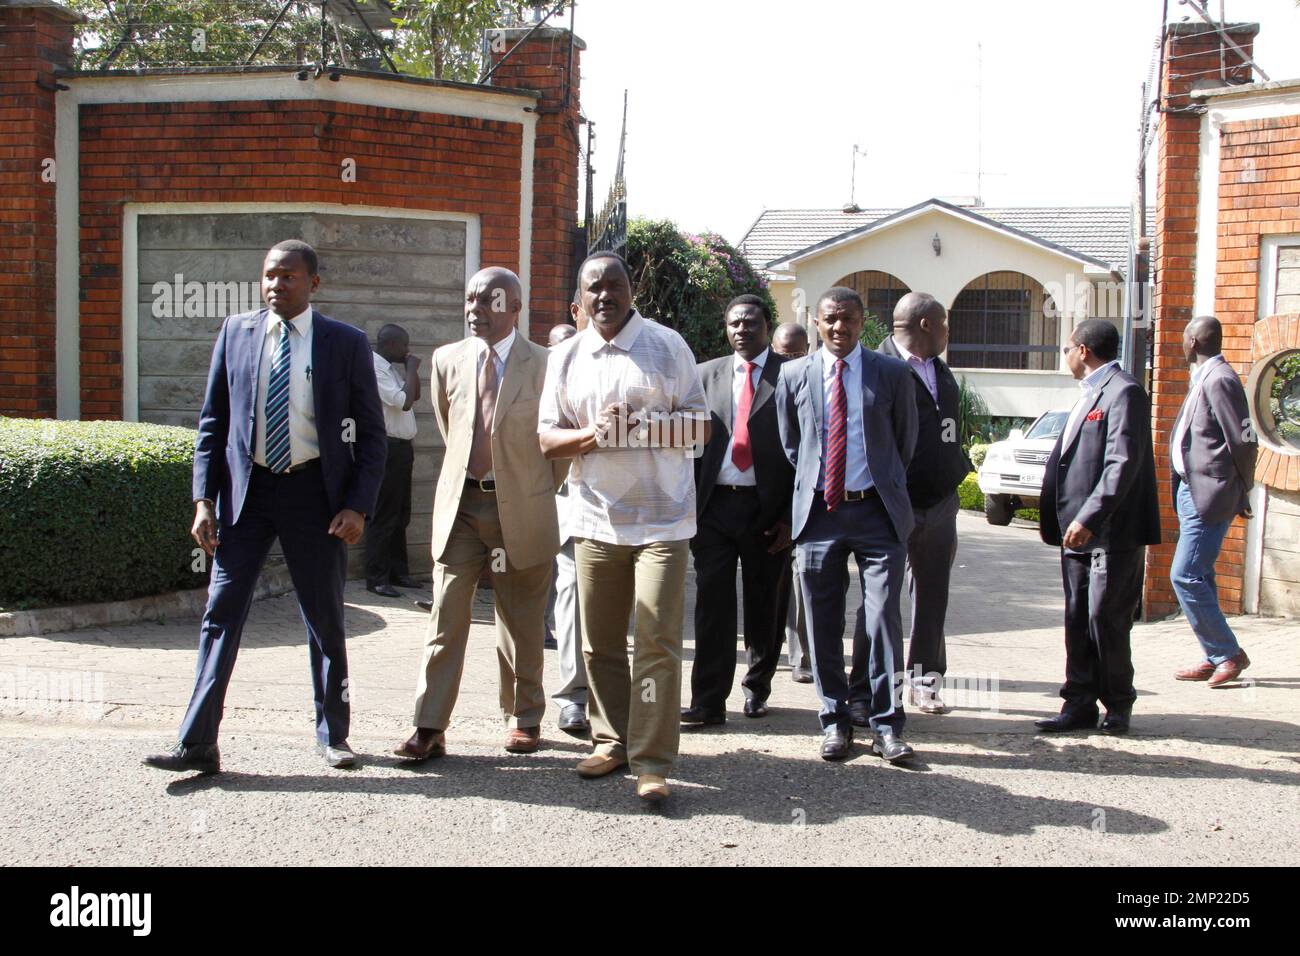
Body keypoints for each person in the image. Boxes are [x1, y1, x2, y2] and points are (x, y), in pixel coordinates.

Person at [144, 240, 386, 773]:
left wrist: (357, 506)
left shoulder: (345, 343)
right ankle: (198, 742)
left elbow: (372, 435)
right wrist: (203, 500)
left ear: (313, 283)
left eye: (289, 277)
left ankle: (334, 735)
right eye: (270, 277)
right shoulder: (236, 333)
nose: (277, 285)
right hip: (246, 495)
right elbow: (212, 425)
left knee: (324, 617)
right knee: (220, 613)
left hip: (314, 496)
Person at [539, 251, 709, 802]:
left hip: (663, 520)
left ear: (632, 290)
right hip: (594, 518)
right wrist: (592, 435)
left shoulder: (668, 345)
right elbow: (546, 439)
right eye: (593, 288)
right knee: (600, 643)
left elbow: (702, 428)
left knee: (657, 639)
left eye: (614, 285)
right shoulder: (566, 356)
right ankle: (611, 741)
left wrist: (646, 426)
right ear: (581, 297)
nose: (604, 296)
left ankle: (654, 760)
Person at [393, 267, 562, 761]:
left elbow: (560, 449)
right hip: (463, 506)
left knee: (521, 620)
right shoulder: (447, 360)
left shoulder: (547, 364)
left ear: (515, 307)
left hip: (523, 509)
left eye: (490, 300)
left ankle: (524, 718)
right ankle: (429, 726)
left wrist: (529, 491)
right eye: (470, 299)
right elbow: (452, 428)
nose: (476, 310)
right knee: (446, 615)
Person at [775, 287, 918, 762]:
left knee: (881, 619)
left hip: (877, 512)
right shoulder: (794, 374)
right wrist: (821, 483)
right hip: (820, 512)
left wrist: (875, 484)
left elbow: (905, 443)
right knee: (821, 620)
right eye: (830, 320)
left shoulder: (893, 374)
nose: (839, 328)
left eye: (848, 320)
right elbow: (792, 446)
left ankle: (885, 724)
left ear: (863, 322)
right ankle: (834, 720)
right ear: (817, 322)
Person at [1037, 319, 1160, 735]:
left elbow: (1121, 463)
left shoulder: (1124, 392)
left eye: (1067, 348)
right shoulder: (1089, 393)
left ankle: (1118, 704)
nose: (1065, 356)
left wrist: (1089, 518)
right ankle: (1078, 704)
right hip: (1075, 533)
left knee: (1105, 618)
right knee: (1076, 617)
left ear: (1084, 350)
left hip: (1109, 532)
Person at [853, 292, 971, 716]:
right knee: (879, 600)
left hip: (939, 505)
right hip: (889, 504)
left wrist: (955, 470)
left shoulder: (941, 371)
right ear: (926, 324)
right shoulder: (874, 368)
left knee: (932, 596)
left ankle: (925, 682)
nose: (947, 333)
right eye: (944, 324)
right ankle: (866, 690)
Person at [681, 295, 794, 727]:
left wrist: (789, 517)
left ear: (768, 326)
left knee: (765, 604)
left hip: (767, 511)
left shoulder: (791, 376)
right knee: (713, 604)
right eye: (733, 324)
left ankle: (757, 688)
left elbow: (804, 451)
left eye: (749, 323)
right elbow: (687, 442)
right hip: (715, 507)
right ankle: (708, 701)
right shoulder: (704, 375)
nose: (741, 330)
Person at [1170, 315, 1257, 687]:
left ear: (1193, 342)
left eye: (1183, 338)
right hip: (1193, 491)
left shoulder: (1220, 379)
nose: (1181, 344)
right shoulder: (1204, 376)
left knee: (1184, 574)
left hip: (1211, 493)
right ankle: (1212, 652)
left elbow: (1244, 440)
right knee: (1201, 574)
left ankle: (1228, 653)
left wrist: (1243, 490)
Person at [544, 316, 591, 735]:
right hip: (567, 495)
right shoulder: (556, 362)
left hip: (629, 504)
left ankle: (617, 696)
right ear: (579, 309)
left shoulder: (647, 353)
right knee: (571, 590)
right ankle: (574, 696)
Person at [366, 323, 424, 598]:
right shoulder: (375, 368)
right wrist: (411, 368)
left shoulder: (390, 370)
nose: (407, 351)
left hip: (403, 450)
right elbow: (404, 402)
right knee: (385, 514)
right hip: (387, 449)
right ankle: (377, 577)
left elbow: (415, 395)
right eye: (404, 346)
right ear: (390, 345)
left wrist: (411, 370)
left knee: (401, 514)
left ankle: (399, 572)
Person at [771, 321, 814, 683]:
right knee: (776, 585)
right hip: (766, 502)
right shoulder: (765, 382)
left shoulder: (816, 382)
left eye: (797, 354)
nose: (789, 361)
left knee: (802, 581)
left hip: (804, 500)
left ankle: (802, 657)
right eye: (783, 354)